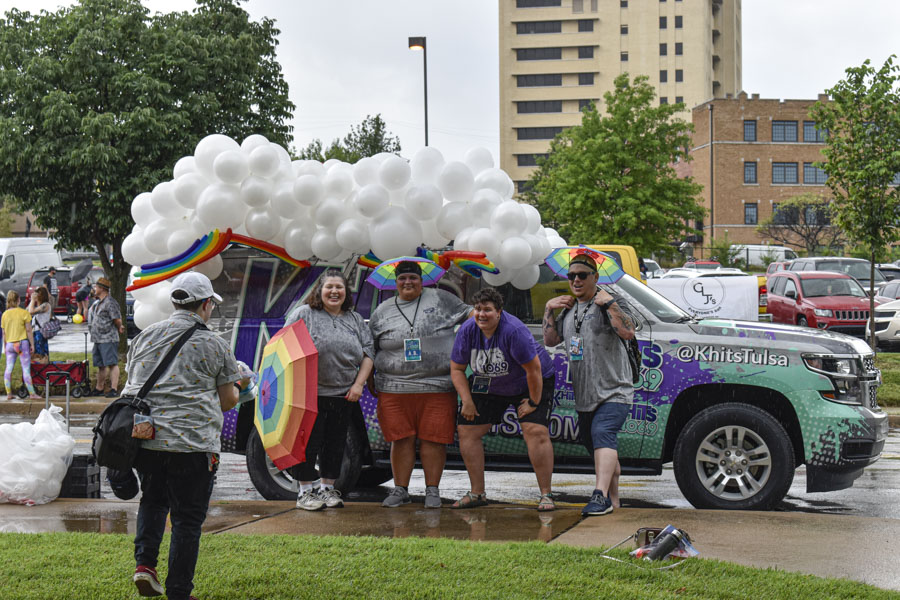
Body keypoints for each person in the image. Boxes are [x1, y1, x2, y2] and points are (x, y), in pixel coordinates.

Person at [126, 271, 247, 600]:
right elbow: (227, 401)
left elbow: (132, 387)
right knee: (187, 520)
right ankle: (179, 591)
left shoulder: (146, 336)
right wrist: (242, 384)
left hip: (148, 441)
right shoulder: (214, 344)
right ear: (206, 304)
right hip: (194, 447)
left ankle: (145, 566)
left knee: (152, 502)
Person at [368, 260, 471, 509]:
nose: (408, 283)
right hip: (394, 387)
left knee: (433, 439)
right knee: (400, 439)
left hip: (437, 385)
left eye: (413, 278)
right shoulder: (382, 310)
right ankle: (400, 490)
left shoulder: (441, 299)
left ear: (421, 280)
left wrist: (464, 345)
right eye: (402, 279)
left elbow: (472, 315)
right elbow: (369, 347)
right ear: (396, 283)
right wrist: (369, 379)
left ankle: (432, 491)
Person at [542, 253, 635, 517]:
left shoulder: (609, 303)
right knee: (598, 444)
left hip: (615, 389)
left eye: (583, 275)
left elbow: (628, 332)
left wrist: (611, 305)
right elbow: (550, 340)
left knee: (603, 434)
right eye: (572, 276)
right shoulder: (570, 308)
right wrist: (549, 309)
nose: (576, 280)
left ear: (595, 277)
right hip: (585, 393)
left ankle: (600, 496)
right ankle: (615, 500)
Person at [450, 287, 557, 511]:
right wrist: (467, 401)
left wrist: (534, 402)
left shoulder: (513, 331)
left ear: (499, 312)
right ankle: (477, 493)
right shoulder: (468, 330)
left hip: (529, 381)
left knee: (534, 431)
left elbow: (534, 370)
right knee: (467, 430)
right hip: (489, 382)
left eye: (487, 310)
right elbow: (457, 369)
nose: (481, 314)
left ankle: (546, 495)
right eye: (478, 309)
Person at [283, 268, 375, 511]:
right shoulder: (305, 314)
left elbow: (368, 353)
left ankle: (326, 490)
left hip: (344, 394)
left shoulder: (355, 319)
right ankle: (304, 493)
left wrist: (358, 384)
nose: (334, 292)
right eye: (329, 287)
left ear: (346, 292)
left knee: (335, 444)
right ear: (319, 291)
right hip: (309, 395)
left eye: (339, 288)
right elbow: (284, 346)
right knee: (308, 444)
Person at [87, 277, 124, 398]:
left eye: (96, 287)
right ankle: (99, 387)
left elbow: (116, 318)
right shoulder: (98, 303)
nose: (94, 289)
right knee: (100, 365)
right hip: (97, 338)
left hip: (108, 338)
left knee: (112, 363)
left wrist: (119, 327)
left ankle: (113, 388)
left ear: (102, 288)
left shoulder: (110, 302)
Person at [1, 291, 40, 400]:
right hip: (22, 344)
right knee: (26, 369)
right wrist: (32, 344)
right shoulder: (24, 313)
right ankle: (32, 393)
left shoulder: (4, 315)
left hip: (9, 344)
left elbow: (4, 333)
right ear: (18, 300)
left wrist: (5, 346)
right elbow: (28, 330)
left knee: (8, 368)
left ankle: (9, 393)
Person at [27, 287, 52, 362]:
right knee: (36, 354)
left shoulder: (46, 305)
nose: (36, 296)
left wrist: (32, 300)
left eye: (38, 294)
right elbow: (27, 311)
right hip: (37, 332)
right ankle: (39, 370)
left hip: (40, 333)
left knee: (40, 355)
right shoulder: (39, 306)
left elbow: (31, 312)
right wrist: (32, 301)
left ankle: (41, 369)